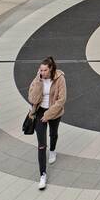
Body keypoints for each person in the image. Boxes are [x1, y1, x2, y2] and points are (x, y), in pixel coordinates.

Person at [26, 56, 66, 191]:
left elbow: (61, 100)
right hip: (39, 113)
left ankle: (53, 150)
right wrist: (38, 82)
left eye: (44, 70)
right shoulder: (38, 79)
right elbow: (32, 98)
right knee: (41, 145)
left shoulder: (60, 79)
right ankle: (42, 174)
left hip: (53, 112)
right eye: (40, 70)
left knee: (53, 134)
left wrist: (48, 115)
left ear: (51, 70)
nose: (42, 72)